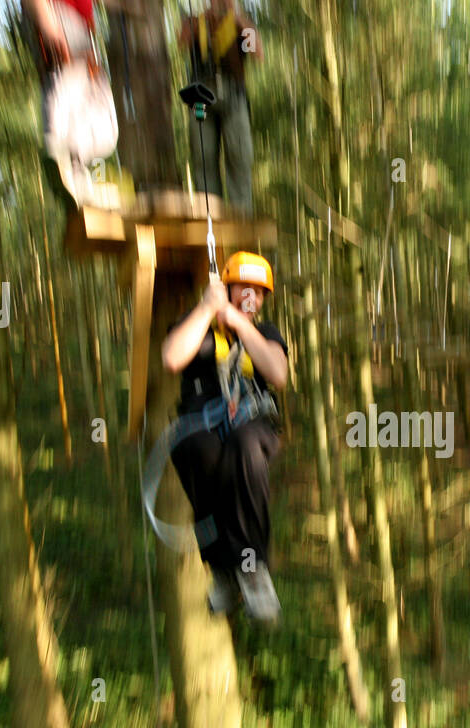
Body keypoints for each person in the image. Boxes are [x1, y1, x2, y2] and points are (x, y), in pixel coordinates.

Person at [161, 252, 287, 622]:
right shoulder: (195, 325)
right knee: (195, 449)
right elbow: (172, 358)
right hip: (199, 424)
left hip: (251, 424)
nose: (251, 297)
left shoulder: (265, 333)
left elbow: (278, 374)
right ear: (227, 288)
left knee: (244, 446)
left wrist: (238, 323)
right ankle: (222, 571)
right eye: (243, 289)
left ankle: (252, 569)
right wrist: (206, 309)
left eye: (258, 293)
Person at [21, 0, 119, 210]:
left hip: (78, 26)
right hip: (60, 17)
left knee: (102, 126)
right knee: (67, 81)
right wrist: (45, 18)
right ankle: (59, 152)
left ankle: (74, 171)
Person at [178, 0, 263, 214]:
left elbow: (257, 54)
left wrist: (236, 18)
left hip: (234, 96)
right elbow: (181, 42)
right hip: (201, 99)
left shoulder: (241, 24)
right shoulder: (197, 22)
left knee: (239, 156)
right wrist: (203, 21)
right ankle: (209, 217)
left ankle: (241, 217)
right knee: (202, 156)